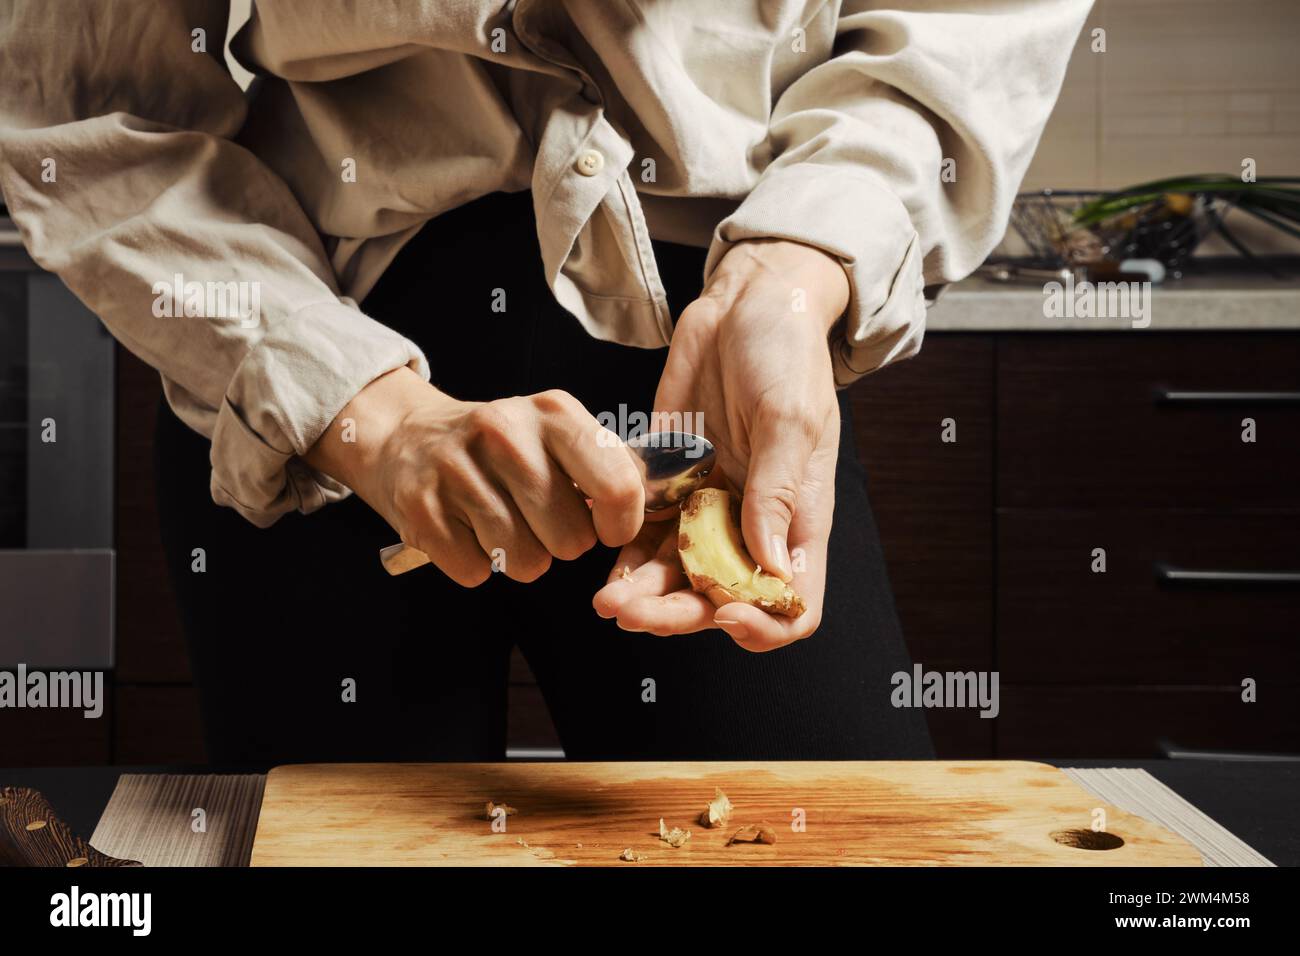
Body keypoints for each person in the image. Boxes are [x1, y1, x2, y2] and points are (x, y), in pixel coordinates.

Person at [0, 1, 1091, 763]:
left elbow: (971, 19)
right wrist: (361, 412)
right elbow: (87, 115)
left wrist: (796, 272)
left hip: (709, 355)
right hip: (310, 363)